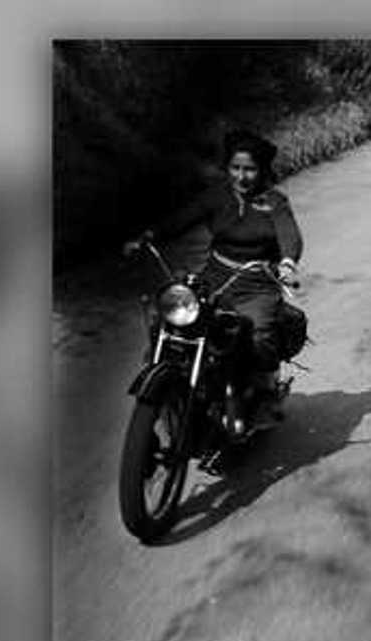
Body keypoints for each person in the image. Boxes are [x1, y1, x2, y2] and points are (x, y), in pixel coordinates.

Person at [122, 128, 307, 433]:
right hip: (214, 279)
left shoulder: (275, 201)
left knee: (258, 336)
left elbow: (289, 234)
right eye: (236, 168)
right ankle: (169, 386)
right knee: (171, 318)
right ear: (227, 168)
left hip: (256, 285)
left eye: (250, 169)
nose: (242, 176)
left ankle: (262, 396)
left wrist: (288, 262)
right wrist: (149, 235)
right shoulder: (217, 195)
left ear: (261, 170)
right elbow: (184, 218)